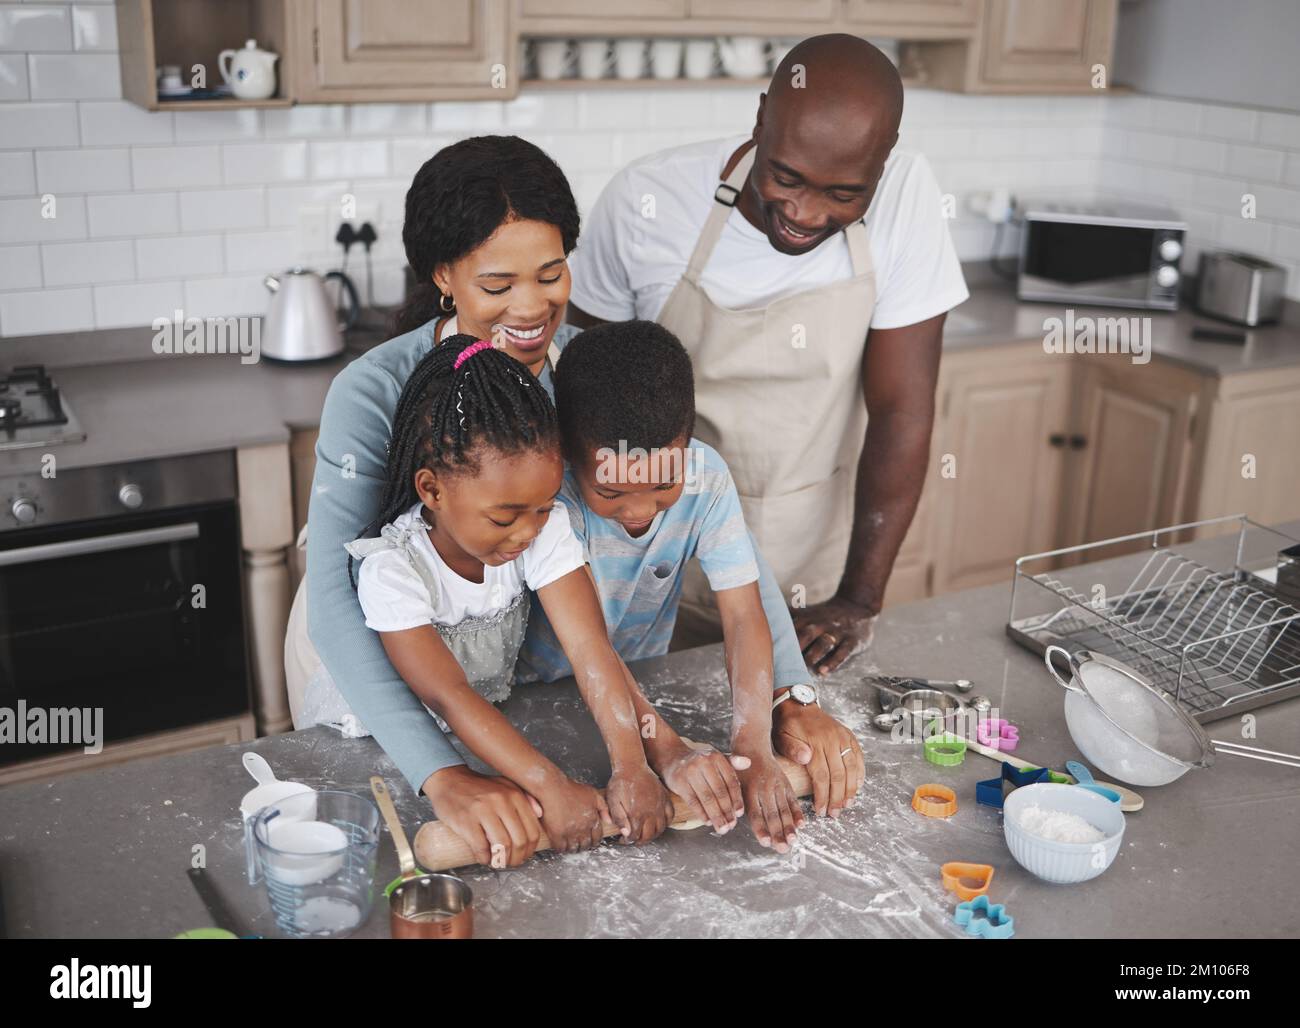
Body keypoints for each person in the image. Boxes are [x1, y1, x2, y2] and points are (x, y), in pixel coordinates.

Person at [565, 34, 969, 674]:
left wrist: (858, 599)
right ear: (760, 121)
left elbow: (902, 411)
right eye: (786, 177)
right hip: (647, 561)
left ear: (883, 163)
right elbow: (584, 397)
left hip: (811, 565)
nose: (804, 213)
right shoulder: (648, 201)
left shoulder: (908, 198)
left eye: (844, 194)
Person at [286, 136, 590, 841]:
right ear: (443, 276)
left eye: (551, 274)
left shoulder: (580, 371)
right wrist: (440, 773)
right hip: (368, 659)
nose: (531, 306)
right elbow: (335, 605)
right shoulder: (372, 390)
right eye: (497, 286)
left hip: (494, 670)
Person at [318, 336, 672, 865]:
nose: (526, 533)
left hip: (481, 733)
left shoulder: (538, 525)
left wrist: (631, 763)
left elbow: (590, 649)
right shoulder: (393, 570)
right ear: (432, 490)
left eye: (542, 509)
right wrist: (549, 786)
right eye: (504, 518)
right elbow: (449, 696)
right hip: (379, 744)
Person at [518, 321, 866, 846]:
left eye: (663, 485)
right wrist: (664, 749)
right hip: (541, 698)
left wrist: (752, 747)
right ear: (569, 453)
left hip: (639, 682)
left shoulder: (707, 477)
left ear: (686, 443)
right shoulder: (553, 498)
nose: (637, 510)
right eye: (610, 490)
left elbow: (745, 616)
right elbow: (589, 647)